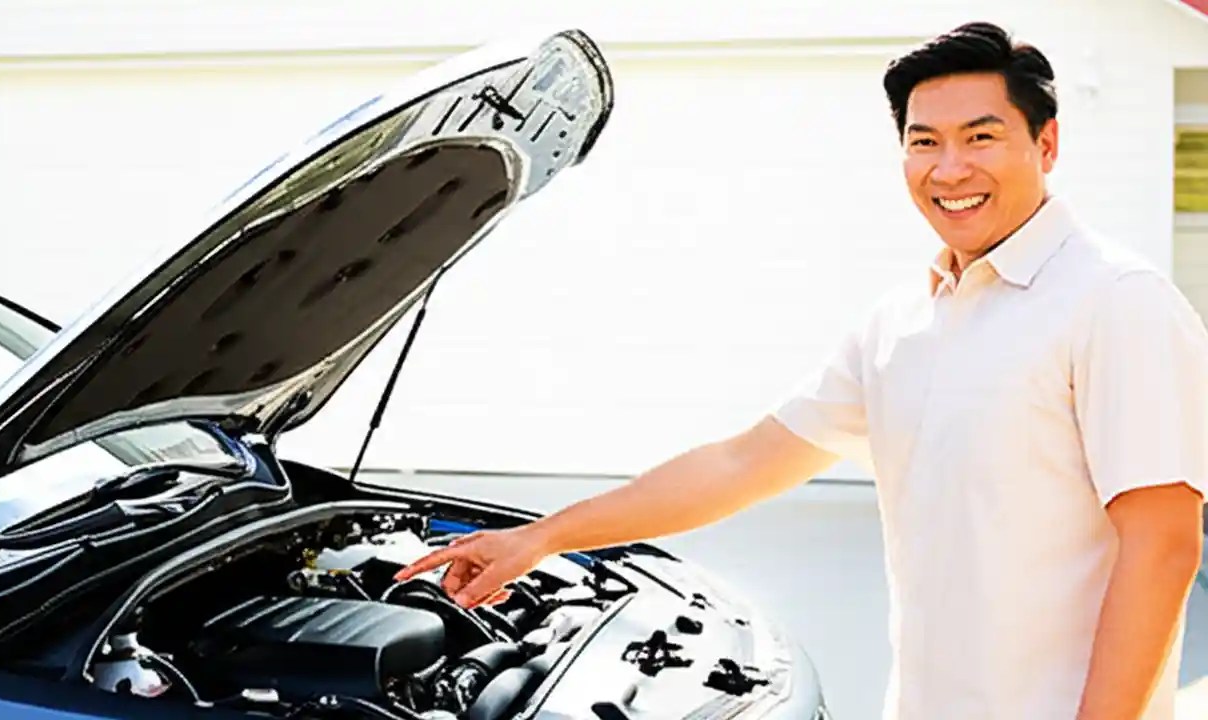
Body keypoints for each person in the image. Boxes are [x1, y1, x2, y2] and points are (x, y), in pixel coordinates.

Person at [395, 21, 1208, 720]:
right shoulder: (904, 321)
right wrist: (543, 539)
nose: (950, 169)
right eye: (925, 142)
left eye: (982, 137)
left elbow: (1163, 543)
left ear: (1047, 143)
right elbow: (742, 462)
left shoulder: (1114, 300)